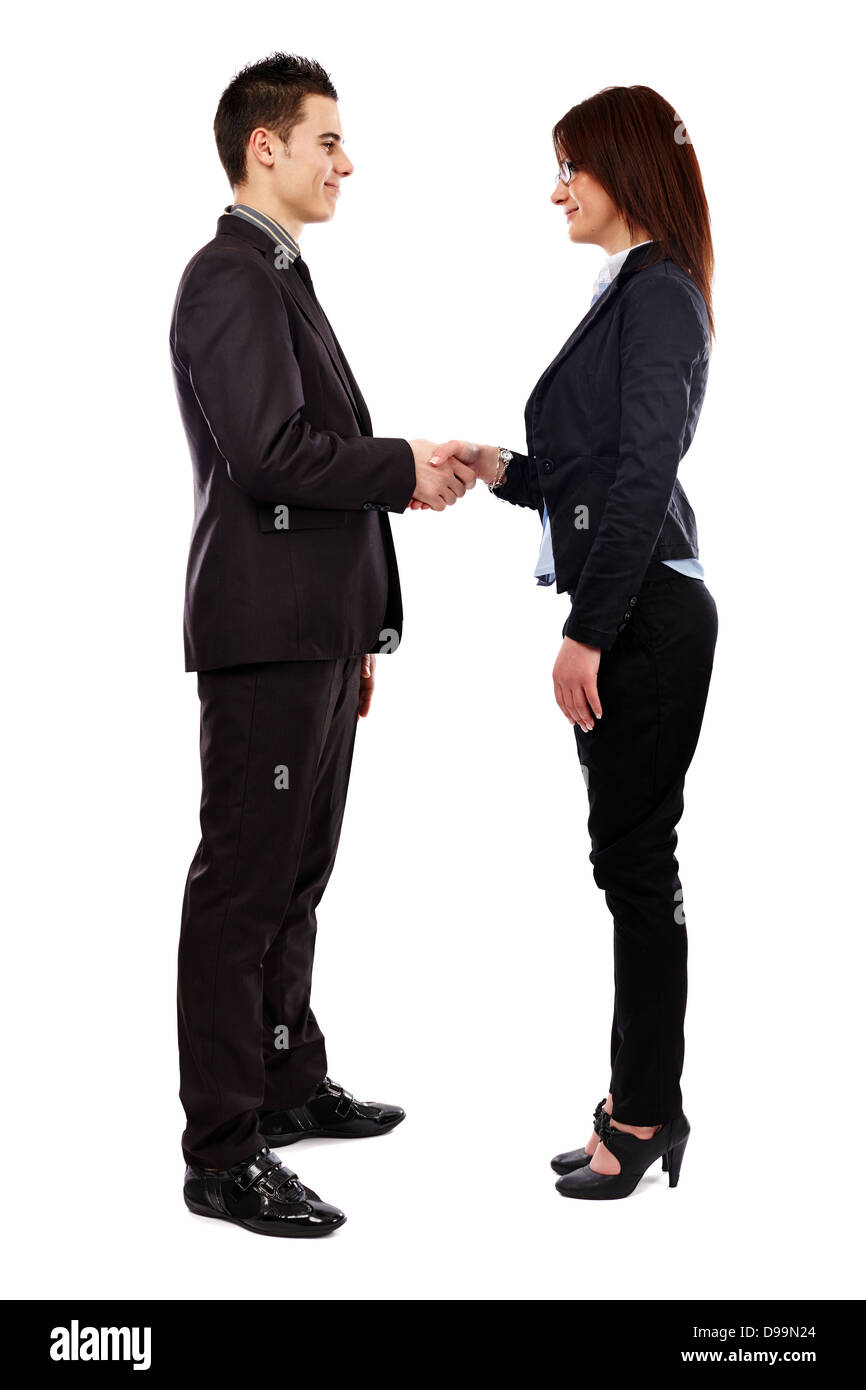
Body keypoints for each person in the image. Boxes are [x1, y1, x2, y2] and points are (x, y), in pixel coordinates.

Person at [169, 52, 475, 1238]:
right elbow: (272, 456)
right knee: (242, 888)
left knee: (296, 877)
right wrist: (404, 465)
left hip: (311, 638)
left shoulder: (279, 276)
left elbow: (305, 464)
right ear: (266, 148)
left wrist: (359, 634)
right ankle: (222, 1151)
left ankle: (286, 1084)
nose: (345, 162)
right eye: (327, 140)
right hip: (261, 643)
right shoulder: (229, 278)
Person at [428, 85, 718, 1200]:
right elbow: (593, 479)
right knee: (628, 865)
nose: (556, 190)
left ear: (620, 168)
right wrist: (503, 468)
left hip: (641, 612)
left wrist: (583, 632)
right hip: (636, 600)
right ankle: (641, 1101)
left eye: (569, 169)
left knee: (636, 868)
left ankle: (642, 1113)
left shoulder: (659, 296)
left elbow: (643, 478)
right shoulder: (640, 291)